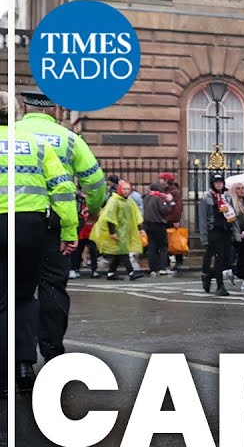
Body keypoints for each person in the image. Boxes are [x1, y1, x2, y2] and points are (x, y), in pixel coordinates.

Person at [19, 91, 107, 363]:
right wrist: (91, 213)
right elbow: (95, 183)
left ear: (24, 108)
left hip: (18, 220)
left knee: (17, 292)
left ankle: (21, 361)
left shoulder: (12, 134)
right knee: (53, 287)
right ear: (54, 111)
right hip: (57, 223)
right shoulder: (69, 139)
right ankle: (52, 352)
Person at [4, 104, 78, 392]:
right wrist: (72, 228)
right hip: (35, 225)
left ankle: (9, 368)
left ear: (24, 110)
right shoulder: (48, 141)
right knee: (37, 291)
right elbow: (66, 187)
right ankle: (40, 356)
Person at [90, 181, 147, 282]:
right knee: (123, 252)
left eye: (128, 189)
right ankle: (131, 272)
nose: (126, 191)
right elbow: (109, 217)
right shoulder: (114, 201)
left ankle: (111, 273)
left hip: (125, 232)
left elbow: (136, 216)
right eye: (124, 189)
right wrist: (112, 232)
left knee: (118, 253)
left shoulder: (129, 202)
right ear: (120, 189)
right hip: (117, 231)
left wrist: (140, 229)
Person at [199, 175, 233, 296]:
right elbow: (202, 218)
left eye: (220, 182)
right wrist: (204, 237)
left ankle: (208, 276)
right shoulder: (207, 198)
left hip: (226, 230)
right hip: (214, 230)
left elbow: (232, 214)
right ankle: (220, 285)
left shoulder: (227, 197)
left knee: (226, 259)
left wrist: (235, 231)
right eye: (216, 182)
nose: (219, 185)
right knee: (218, 258)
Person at [141, 179, 178, 276]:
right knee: (163, 247)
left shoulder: (146, 197)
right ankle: (162, 267)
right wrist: (170, 202)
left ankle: (153, 268)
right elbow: (165, 210)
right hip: (159, 224)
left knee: (152, 247)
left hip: (148, 224)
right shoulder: (159, 198)